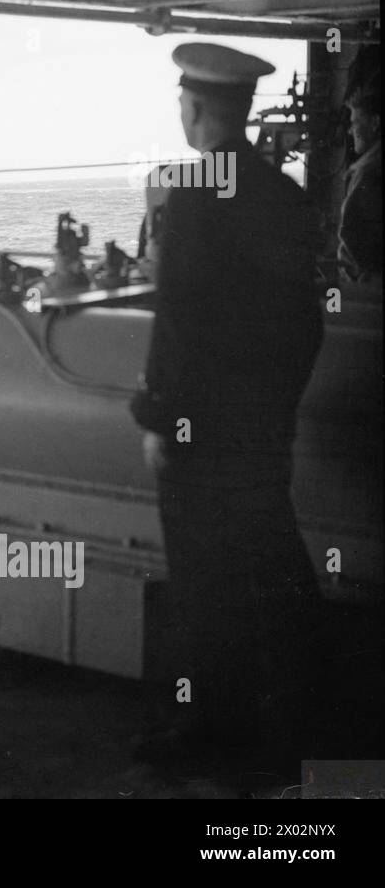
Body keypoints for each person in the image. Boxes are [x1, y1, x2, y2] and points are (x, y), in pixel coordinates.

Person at [131, 42, 326, 764]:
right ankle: (297, 727)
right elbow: (308, 322)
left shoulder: (191, 196)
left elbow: (177, 322)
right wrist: (274, 404)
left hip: (201, 439)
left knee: (205, 589)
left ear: (194, 108)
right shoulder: (283, 195)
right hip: (259, 431)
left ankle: (210, 736)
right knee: (269, 566)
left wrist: (159, 418)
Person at [338, 69, 381, 284]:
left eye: (355, 122)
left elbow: (356, 240)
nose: (349, 131)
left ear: (374, 123)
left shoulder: (368, 173)